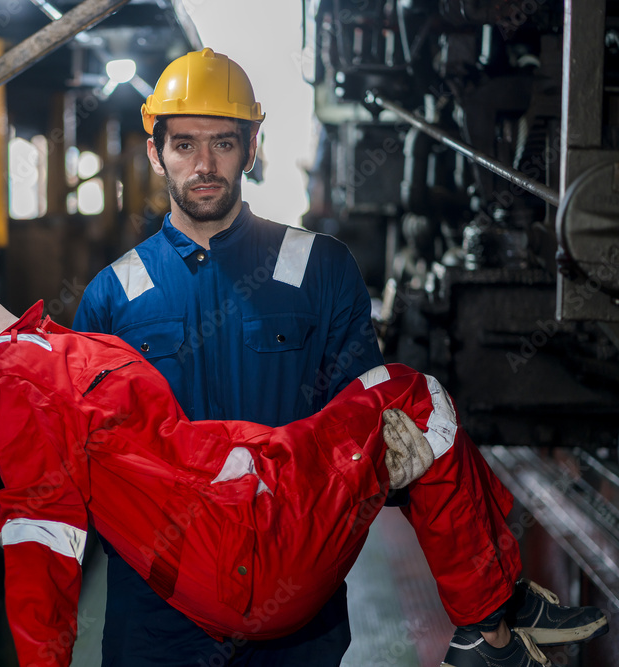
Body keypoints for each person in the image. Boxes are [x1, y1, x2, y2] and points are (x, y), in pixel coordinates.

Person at [71, 48, 604, 666]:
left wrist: (403, 474)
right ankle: (494, 616)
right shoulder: (111, 296)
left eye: (223, 141)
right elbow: (94, 463)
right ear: (155, 152)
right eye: (185, 144)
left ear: (251, 146)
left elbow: (365, 423)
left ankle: (492, 610)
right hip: (159, 615)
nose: (205, 163)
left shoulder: (319, 268)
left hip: (295, 607)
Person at [0, 289, 608, 667]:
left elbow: (163, 449)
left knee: (406, 414)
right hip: (248, 544)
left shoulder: (42, 352)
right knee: (411, 398)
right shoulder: (12, 380)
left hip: (246, 506)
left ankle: (496, 607)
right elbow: (40, 531)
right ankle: (487, 624)